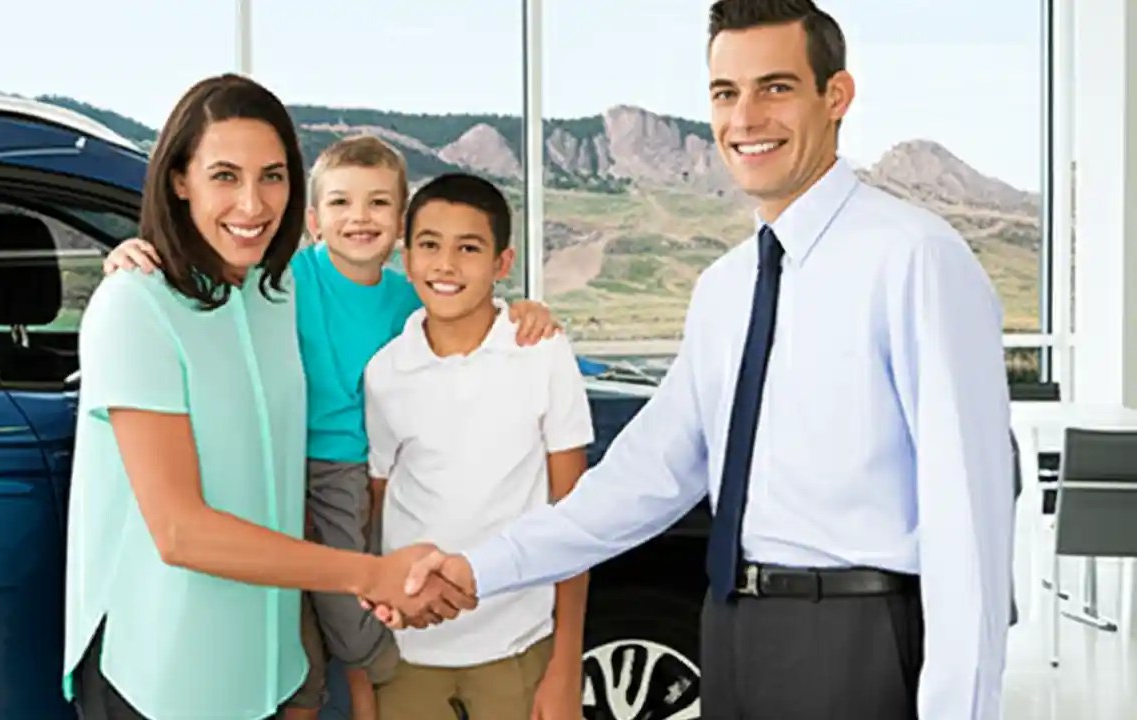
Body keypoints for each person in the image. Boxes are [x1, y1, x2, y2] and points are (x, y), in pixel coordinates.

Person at [385, 2, 1015, 719]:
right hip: (732, 626)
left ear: (835, 96)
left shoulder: (916, 260)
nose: (745, 118)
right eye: (725, 93)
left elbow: (970, 521)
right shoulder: (725, 288)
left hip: (858, 634)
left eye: (775, 87)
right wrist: (479, 566)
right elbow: (641, 479)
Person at [99, 135, 557, 720]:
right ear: (313, 221)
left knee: (350, 609)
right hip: (283, 461)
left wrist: (527, 311)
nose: (359, 218)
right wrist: (133, 255)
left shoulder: (407, 298)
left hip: (364, 471)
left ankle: (378, 681)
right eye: (341, 204)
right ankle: (356, 677)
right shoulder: (286, 279)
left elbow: (468, 307)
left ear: (400, 225)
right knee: (306, 624)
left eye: (378, 205)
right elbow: (204, 274)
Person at [63, 74, 475, 720]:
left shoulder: (275, 294)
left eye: (273, 176)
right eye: (224, 175)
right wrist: (368, 574)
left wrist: (520, 319)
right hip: (161, 679)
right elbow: (179, 531)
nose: (253, 204)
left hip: (263, 673)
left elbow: (420, 299)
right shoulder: (135, 306)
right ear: (179, 179)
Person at [364, 172, 593, 720]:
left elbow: (575, 521)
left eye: (468, 248)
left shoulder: (541, 353)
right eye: (429, 246)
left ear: (502, 263)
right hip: (407, 651)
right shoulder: (385, 372)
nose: (445, 266)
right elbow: (375, 509)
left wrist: (566, 665)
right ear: (406, 255)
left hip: (520, 643)